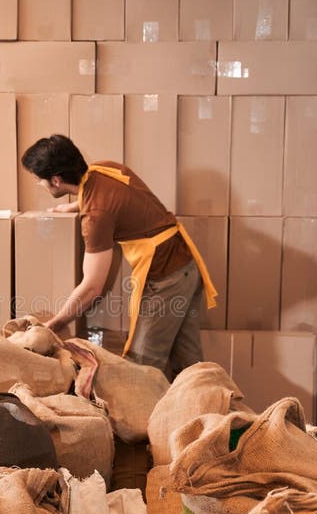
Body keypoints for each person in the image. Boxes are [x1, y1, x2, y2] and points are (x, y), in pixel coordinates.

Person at [21, 134, 217, 380]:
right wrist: (72, 207)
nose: (39, 184)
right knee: (189, 362)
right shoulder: (105, 169)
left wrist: (56, 323)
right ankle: (210, 403)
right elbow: (112, 200)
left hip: (166, 278)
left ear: (56, 180)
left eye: (39, 180)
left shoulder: (95, 218)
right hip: (185, 266)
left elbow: (92, 286)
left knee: (142, 370)